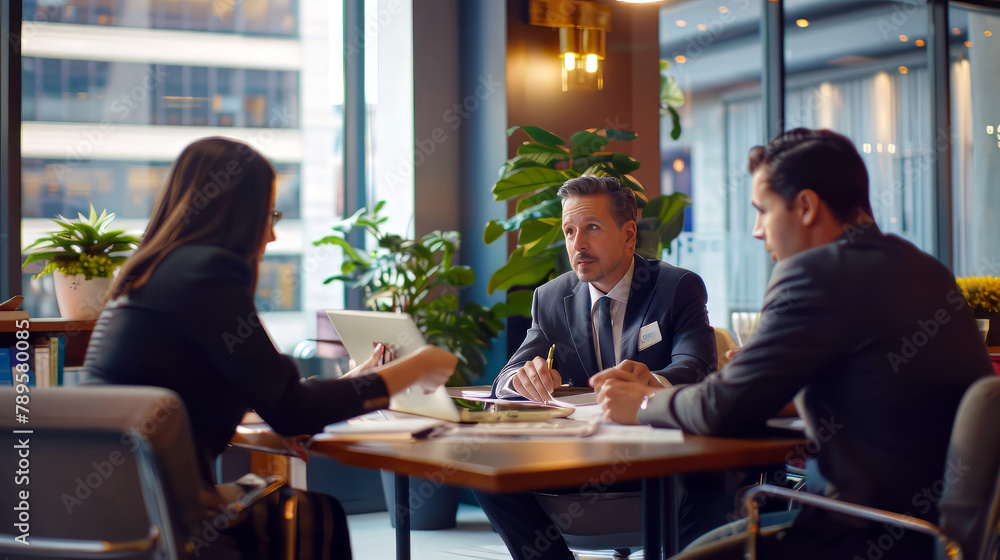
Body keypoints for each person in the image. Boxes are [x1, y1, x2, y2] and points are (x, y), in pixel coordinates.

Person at [593, 128, 995, 559]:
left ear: (805, 207)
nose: (756, 230)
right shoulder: (925, 269)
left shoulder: (813, 273)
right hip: (933, 536)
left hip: (859, 533)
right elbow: (876, 391)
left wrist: (640, 405)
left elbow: (722, 408)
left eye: (762, 211)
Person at [84, 137, 457, 560]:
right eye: (268, 215)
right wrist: (414, 367)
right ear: (237, 214)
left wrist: (350, 383)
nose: (273, 234)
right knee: (315, 515)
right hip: (170, 519)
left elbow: (259, 395)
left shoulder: (150, 274)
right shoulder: (206, 273)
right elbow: (290, 408)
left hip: (118, 511)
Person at [478, 175, 722, 560]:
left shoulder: (678, 287)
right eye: (569, 230)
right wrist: (521, 379)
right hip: (580, 463)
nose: (578, 243)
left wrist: (652, 385)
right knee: (483, 462)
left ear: (628, 235)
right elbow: (506, 377)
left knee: (714, 471)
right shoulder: (552, 297)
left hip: (660, 466)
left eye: (591, 227)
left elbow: (698, 368)